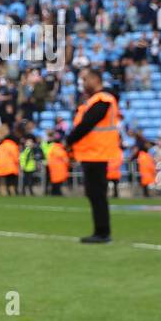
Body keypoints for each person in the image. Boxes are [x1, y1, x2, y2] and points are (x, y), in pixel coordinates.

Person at [64, 68, 120, 243]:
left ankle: (102, 233)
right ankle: (101, 231)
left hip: (98, 153)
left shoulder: (103, 99)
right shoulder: (95, 100)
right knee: (94, 194)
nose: (83, 83)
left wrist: (70, 139)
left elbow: (87, 123)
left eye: (86, 79)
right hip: (92, 153)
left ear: (96, 80)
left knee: (97, 194)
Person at [0, 128, 20, 196]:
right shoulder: (13, 146)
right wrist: (18, 163)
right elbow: (16, 157)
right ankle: (13, 193)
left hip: (1, 167)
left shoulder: (1, 146)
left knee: (4, 181)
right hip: (11, 167)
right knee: (12, 182)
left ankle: (4, 193)